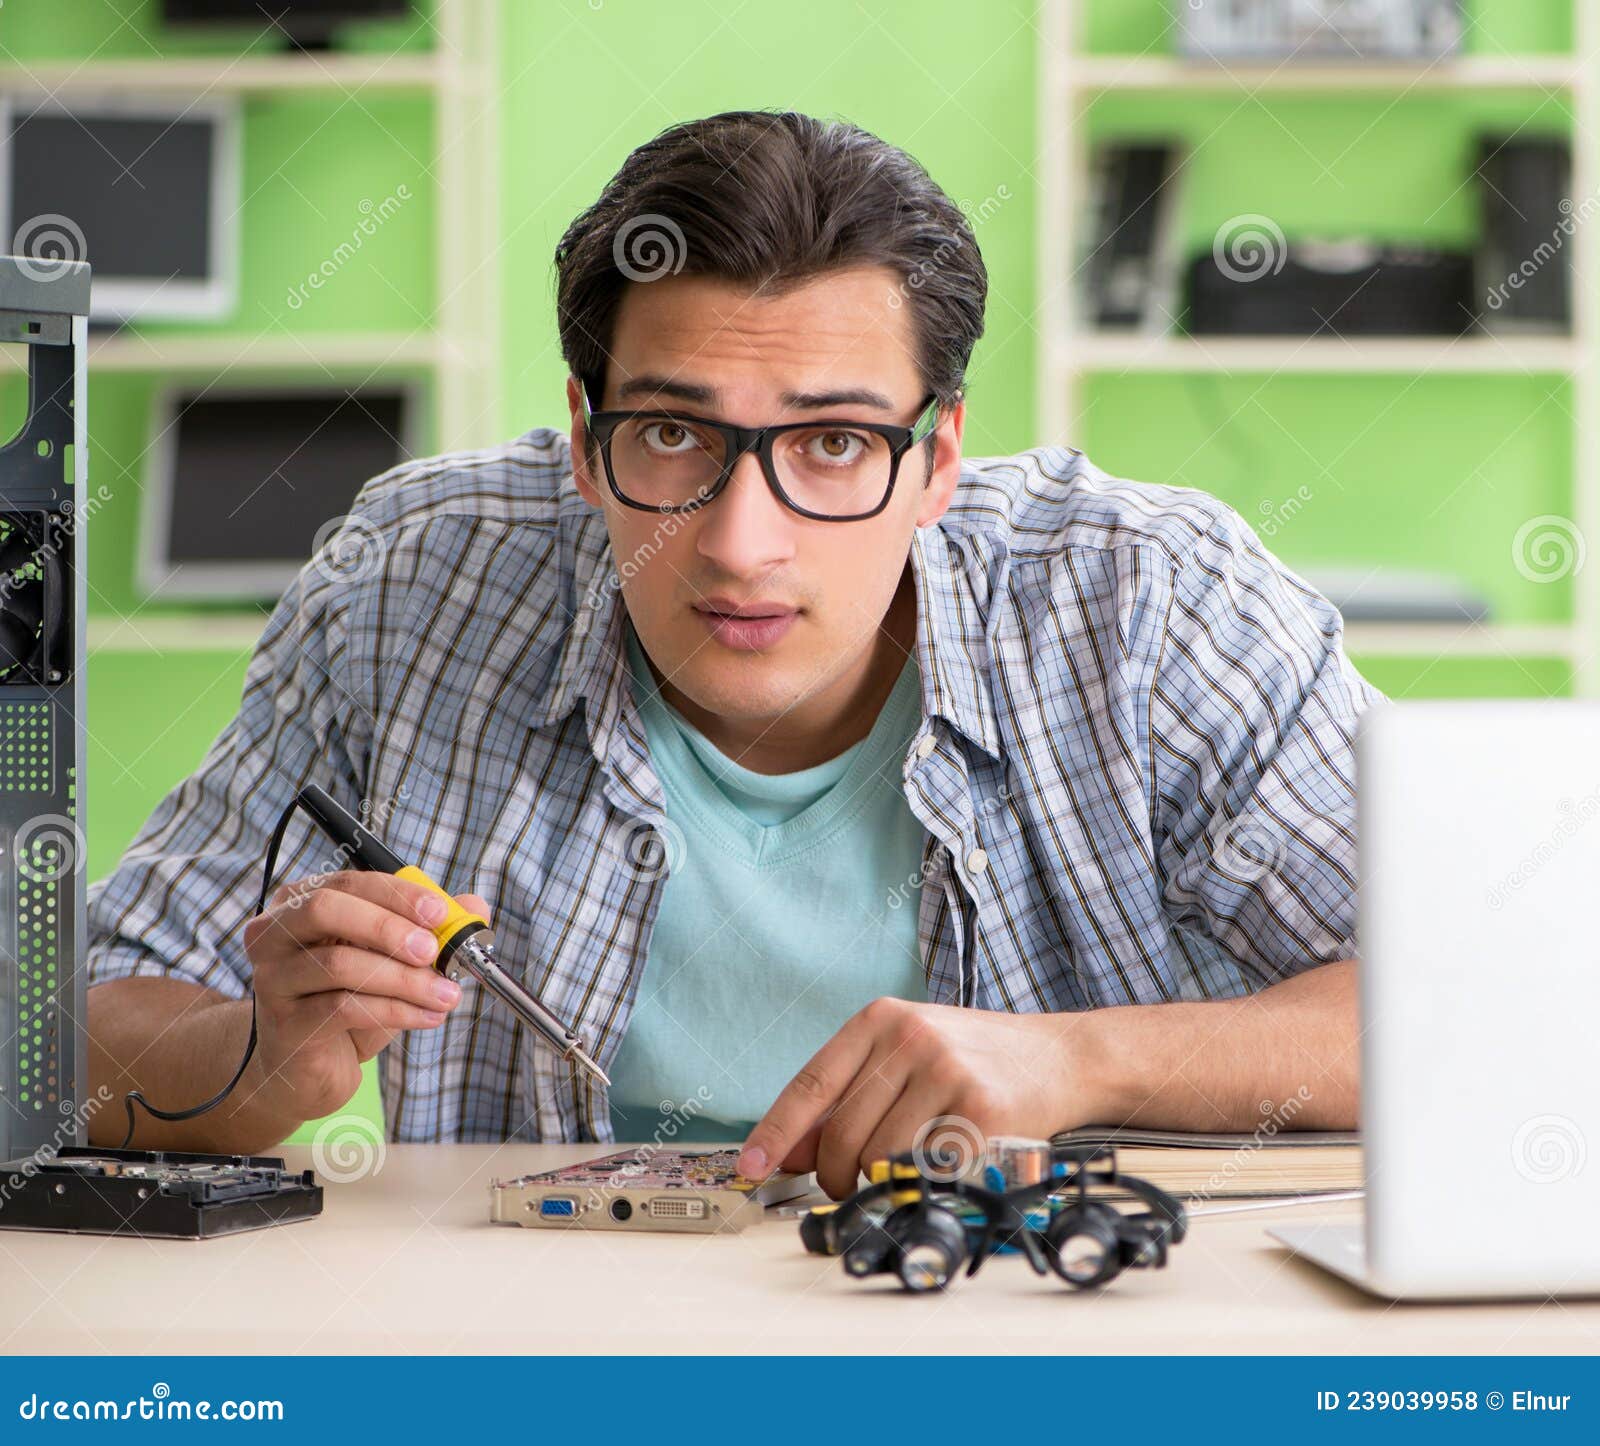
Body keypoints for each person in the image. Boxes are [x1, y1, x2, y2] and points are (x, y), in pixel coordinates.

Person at [87, 110, 1377, 1199]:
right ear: (588, 442)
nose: (741, 544)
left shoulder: (1150, 600)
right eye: (670, 437)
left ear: (934, 460)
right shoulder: (415, 579)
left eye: (831, 443)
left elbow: (1494, 998)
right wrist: (252, 1061)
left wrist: (1082, 1064)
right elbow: (61, 1048)